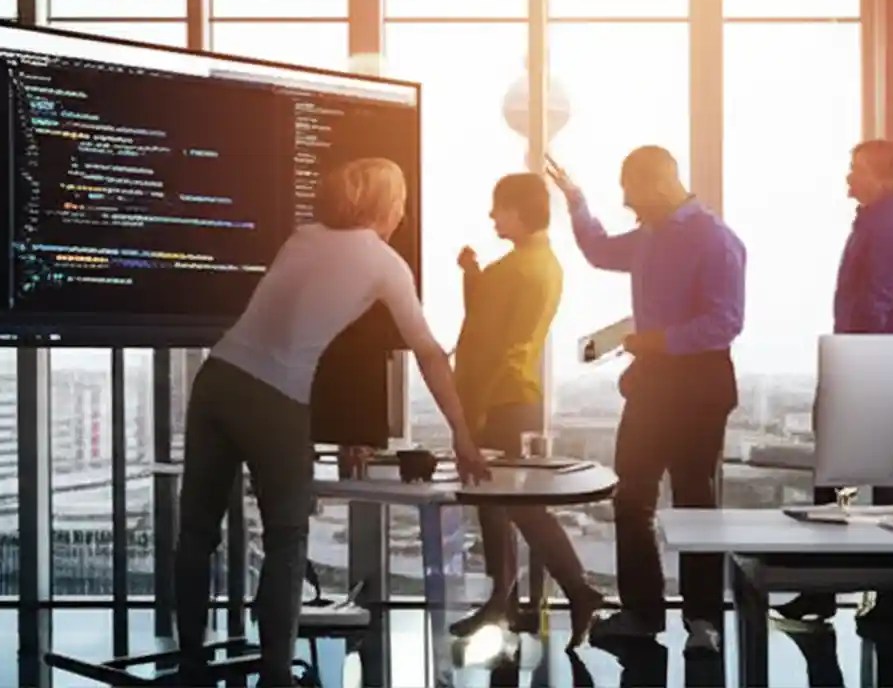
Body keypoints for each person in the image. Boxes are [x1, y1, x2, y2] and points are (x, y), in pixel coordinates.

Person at [174, 158, 489, 686]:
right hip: (274, 395)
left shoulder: (302, 236)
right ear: (386, 206)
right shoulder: (387, 264)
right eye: (402, 204)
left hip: (216, 378)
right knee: (287, 536)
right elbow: (430, 354)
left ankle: (189, 661)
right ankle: (276, 676)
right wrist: (461, 433)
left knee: (196, 531)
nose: (403, 215)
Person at [547, 146, 746, 656]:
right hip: (652, 385)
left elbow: (725, 323)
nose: (627, 204)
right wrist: (575, 200)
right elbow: (598, 250)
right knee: (632, 498)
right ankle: (642, 613)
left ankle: (703, 621)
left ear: (659, 185)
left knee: (694, 499)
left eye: (631, 193)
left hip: (699, 384)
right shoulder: (648, 238)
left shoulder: (717, 240)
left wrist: (656, 340)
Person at [776, 139, 893, 662]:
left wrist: (849, 368)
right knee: (883, 485)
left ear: (883, 176)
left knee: (837, 480)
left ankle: (828, 593)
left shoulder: (888, 226)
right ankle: (880, 596)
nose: (847, 178)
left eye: (855, 169)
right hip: (885, 362)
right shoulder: (891, 221)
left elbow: (877, 302)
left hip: (870, 362)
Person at [448, 172, 603, 647]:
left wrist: (468, 418)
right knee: (500, 507)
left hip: (501, 397)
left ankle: (577, 590)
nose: (493, 216)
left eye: (499, 208)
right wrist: (474, 276)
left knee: (519, 507)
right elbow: (495, 322)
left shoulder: (518, 268)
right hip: (518, 395)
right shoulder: (540, 262)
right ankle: (505, 601)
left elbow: (487, 341)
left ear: (519, 210)